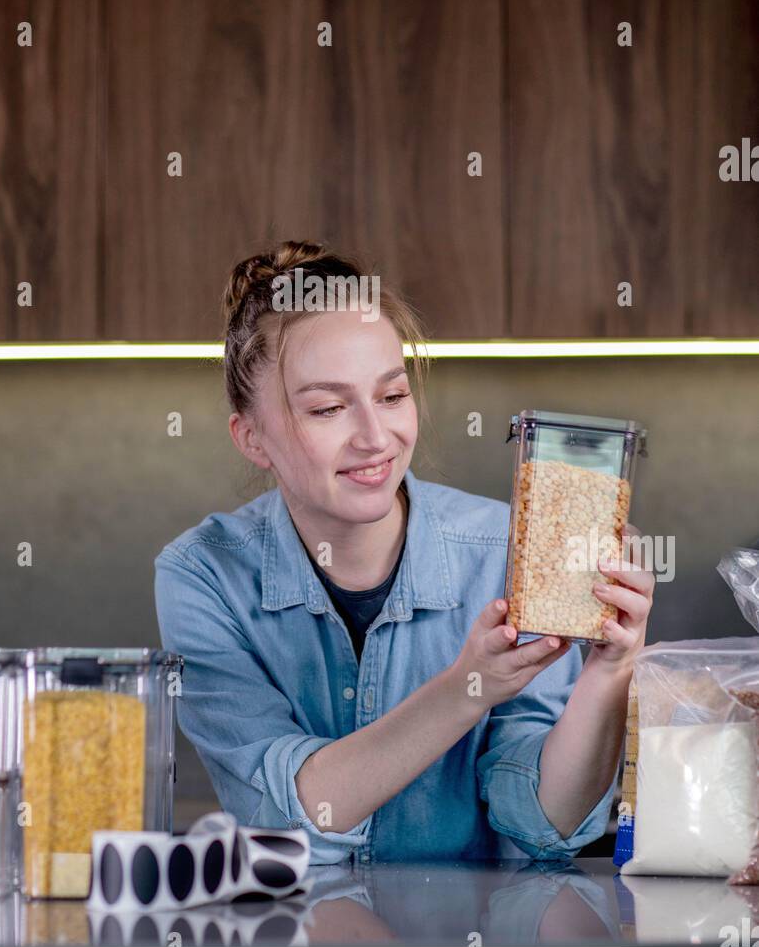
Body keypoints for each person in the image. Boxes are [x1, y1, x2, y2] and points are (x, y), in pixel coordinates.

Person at [154, 241, 654, 865]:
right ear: (251, 437)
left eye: (392, 397)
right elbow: (286, 821)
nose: (374, 437)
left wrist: (607, 673)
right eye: (328, 408)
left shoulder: (503, 549)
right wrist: (467, 689)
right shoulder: (203, 575)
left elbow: (543, 824)